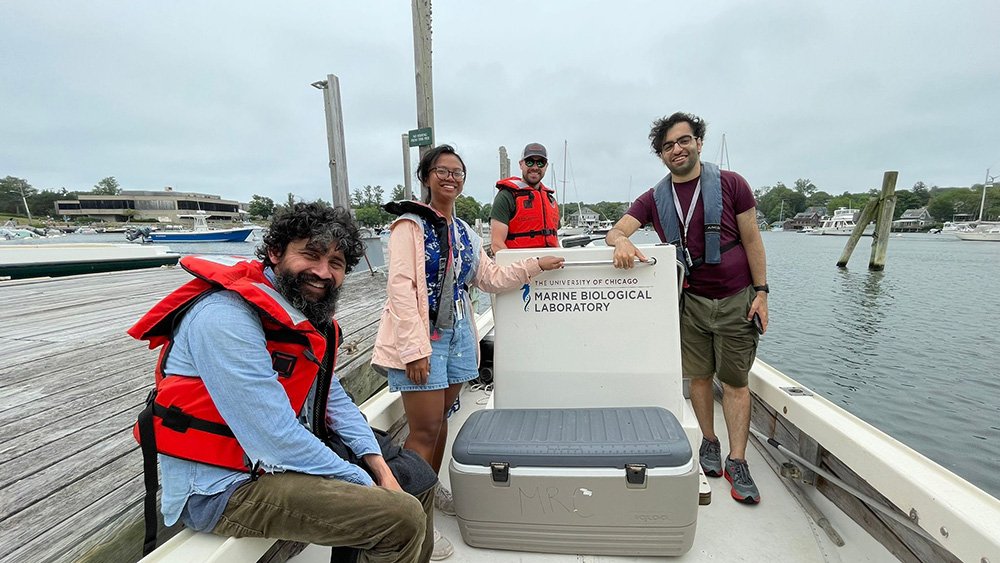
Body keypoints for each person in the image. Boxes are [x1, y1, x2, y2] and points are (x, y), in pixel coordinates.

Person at [129, 203, 439, 562]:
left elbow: (333, 399)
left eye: (335, 263)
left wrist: (382, 470)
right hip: (223, 487)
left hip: (273, 461)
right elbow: (274, 439)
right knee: (398, 518)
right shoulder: (224, 317)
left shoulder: (300, 310)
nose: (323, 272)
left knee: (415, 475)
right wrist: (367, 483)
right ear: (275, 252)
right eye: (311, 255)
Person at [373, 144, 564, 555]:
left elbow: (489, 277)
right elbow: (401, 288)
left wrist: (535, 265)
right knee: (423, 431)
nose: (450, 177)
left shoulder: (463, 231)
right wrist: (413, 349)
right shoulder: (410, 226)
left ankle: (428, 488)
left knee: (441, 421)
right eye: (441, 171)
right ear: (426, 177)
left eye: (457, 172)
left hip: (459, 333)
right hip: (423, 336)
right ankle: (411, 523)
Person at [606, 112, 769, 505]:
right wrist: (621, 242)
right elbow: (616, 229)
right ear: (661, 155)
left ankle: (738, 460)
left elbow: (752, 240)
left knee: (735, 382)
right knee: (698, 377)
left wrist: (762, 292)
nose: (676, 149)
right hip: (689, 302)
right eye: (667, 146)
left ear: (698, 142)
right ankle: (709, 442)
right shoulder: (653, 197)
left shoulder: (732, 184)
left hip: (736, 299)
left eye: (683, 141)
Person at [489, 142, 560, 253]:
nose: (535, 167)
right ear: (521, 164)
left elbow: (556, 241)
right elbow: (497, 245)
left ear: (546, 166)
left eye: (540, 163)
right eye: (530, 162)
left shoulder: (551, 200)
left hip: (551, 268)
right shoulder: (507, 197)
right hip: (520, 267)